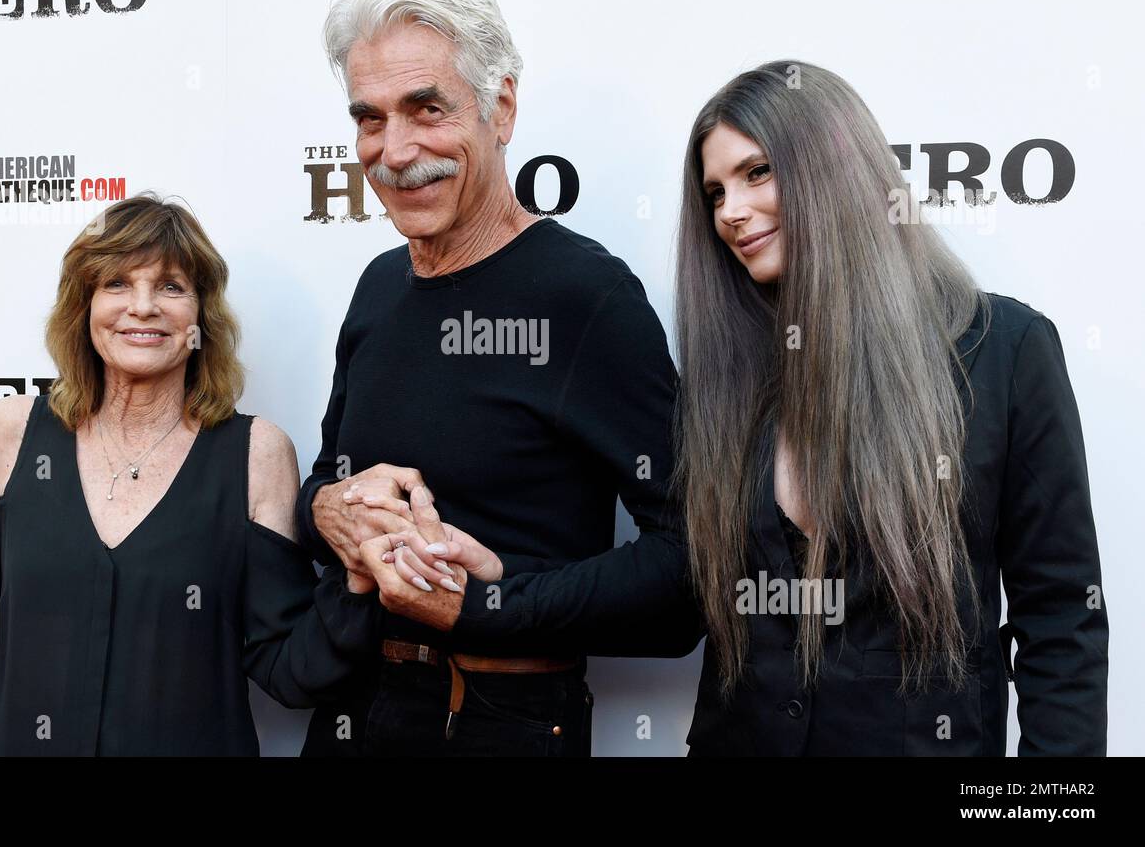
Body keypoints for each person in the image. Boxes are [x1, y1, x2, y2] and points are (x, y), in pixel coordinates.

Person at [376, 60, 1110, 756]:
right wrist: (507, 579)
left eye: (757, 172)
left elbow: (1062, 620)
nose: (732, 210)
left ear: (838, 167)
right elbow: (683, 584)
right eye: (716, 191)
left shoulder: (1005, 350)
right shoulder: (730, 373)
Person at [295, 0, 699, 757]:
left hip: (502, 722)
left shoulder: (586, 295)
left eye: (427, 108)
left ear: (501, 106)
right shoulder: (379, 285)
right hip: (355, 712)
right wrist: (325, 511)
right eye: (370, 118)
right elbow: (328, 479)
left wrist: (485, 606)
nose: (396, 149)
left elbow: (688, 575)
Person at [0, 194, 381, 756]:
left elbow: (287, 666)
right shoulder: (14, 432)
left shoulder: (257, 455)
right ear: (84, 307)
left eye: (172, 287)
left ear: (201, 314)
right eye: (118, 284)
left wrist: (358, 581)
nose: (144, 307)